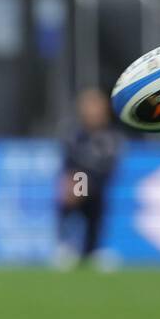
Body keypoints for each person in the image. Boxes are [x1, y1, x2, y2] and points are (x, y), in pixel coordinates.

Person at [58, 88, 122, 265]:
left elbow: (109, 166)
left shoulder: (111, 136)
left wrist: (85, 182)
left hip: (97, 183)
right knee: (72, 193)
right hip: (78, 181)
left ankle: (92, 250)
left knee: (94, 202)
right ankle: (66, 245)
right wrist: (73, 182)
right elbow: (69, 161)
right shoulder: (74, 133)